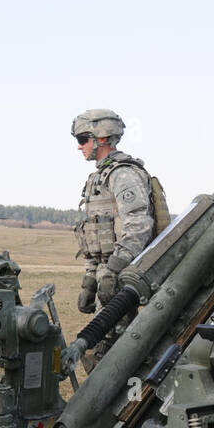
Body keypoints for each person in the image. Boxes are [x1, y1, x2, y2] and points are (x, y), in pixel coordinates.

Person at [72, 109, 156, 315]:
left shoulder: (123, 174)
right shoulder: (98, 177)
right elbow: (94, 235)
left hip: (122, 277)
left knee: (114, 341)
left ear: (101, 138)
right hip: (106, 274)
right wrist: (90, 282)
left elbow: (139, 226)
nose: (79, 146)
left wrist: (114, 270)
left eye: (83, 139)